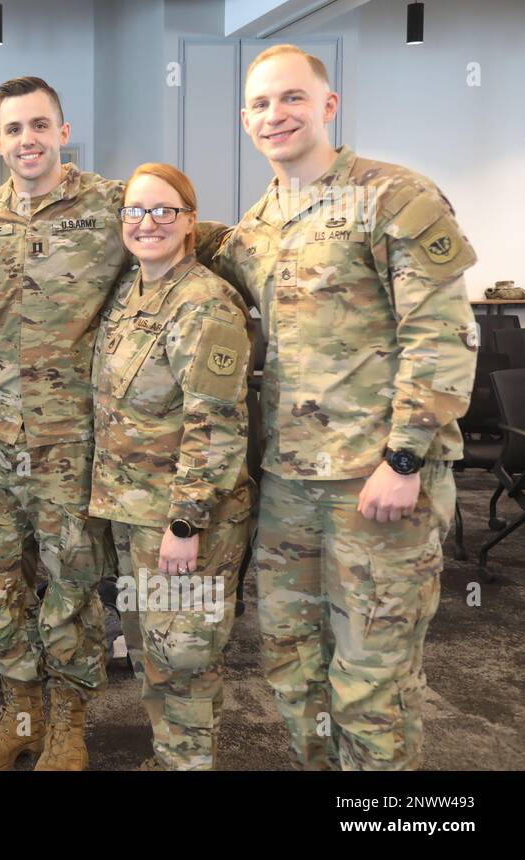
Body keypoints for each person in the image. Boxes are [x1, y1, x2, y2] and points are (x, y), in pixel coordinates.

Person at [197, 44, 477, 770]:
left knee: (372, 682)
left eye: (291, 98)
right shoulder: (258, 227)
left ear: (328, 105)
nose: (275, 114)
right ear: (244, 121)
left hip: (377, 484)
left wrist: (407, 455)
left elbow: (441, 333)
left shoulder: (393, 197)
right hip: (289, 484)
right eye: (259, 104)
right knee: (293, 667)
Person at [0, 76, 131, 771]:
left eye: (39, 125)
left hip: (70, 439)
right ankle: (21, 716)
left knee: (72, 588)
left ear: (62, 130)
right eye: (14, 129)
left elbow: (184, 235)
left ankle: (70, 724)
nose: (27, 139)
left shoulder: (112, 204)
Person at [91, 163, 252, 770]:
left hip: (185, 522)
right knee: (147, 652)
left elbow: (217, 424)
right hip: (133, 511)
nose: (148, 222)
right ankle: (169, 758)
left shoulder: (207, 303)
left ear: (190, 221)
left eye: (164, 211)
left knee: (184, 660)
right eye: (135, 211)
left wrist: (186, 523)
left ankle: (187, 763)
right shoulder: (127, 292)